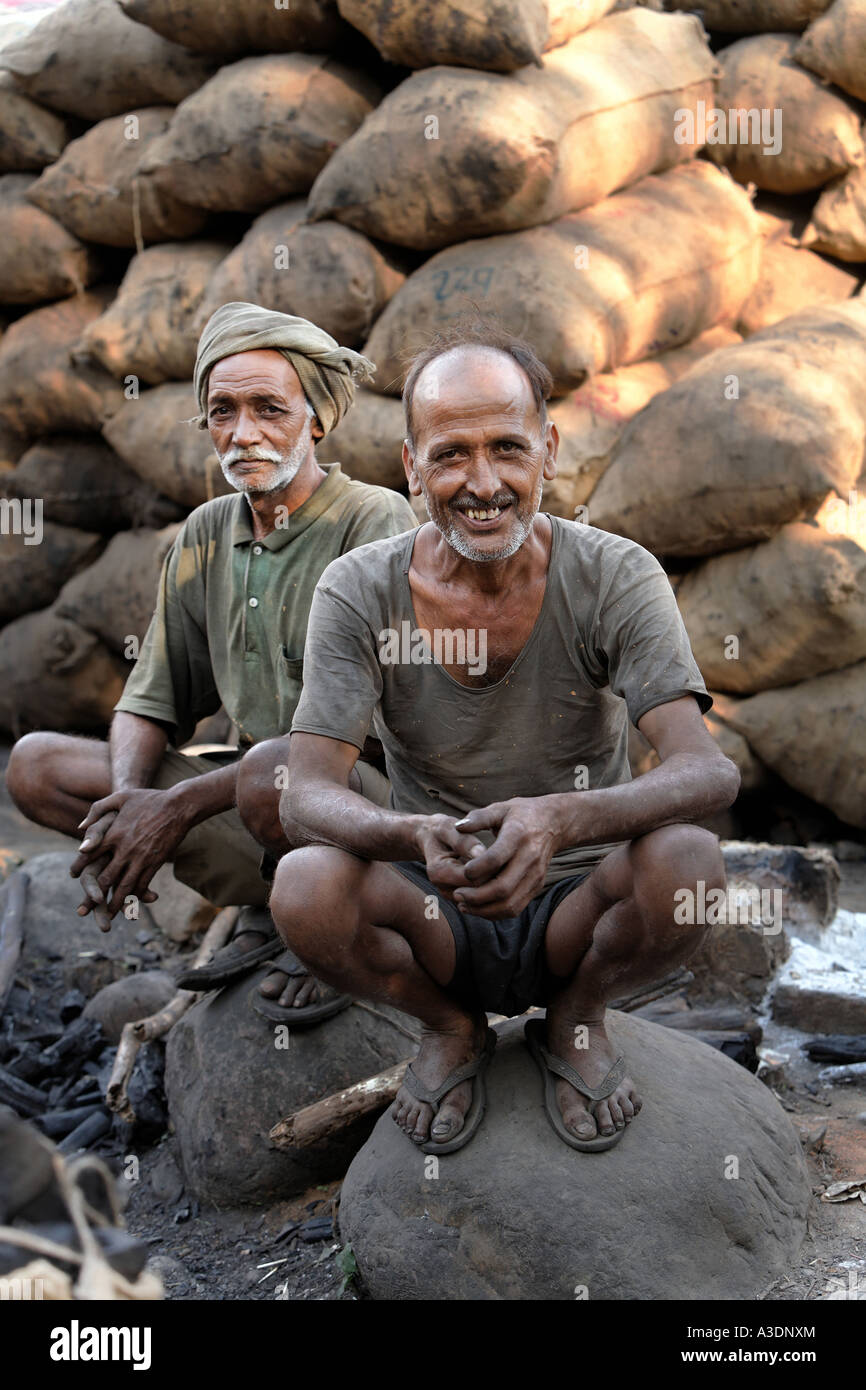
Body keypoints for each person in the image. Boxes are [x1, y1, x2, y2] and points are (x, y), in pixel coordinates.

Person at [267, 319, 739, 1153]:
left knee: (688, 862)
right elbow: (304, 796)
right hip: (433, 911)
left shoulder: (615, 574)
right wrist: (407, 832)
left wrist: (564, 819)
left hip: (578, 910)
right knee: (306, 885)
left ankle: (578, 1018)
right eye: (450, 455)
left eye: (507, 449)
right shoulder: (358, 589)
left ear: (549, 450)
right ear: (411, 467)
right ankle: (450, 1029)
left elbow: (708, 774)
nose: (483, 483)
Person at [7, 302, 416, 1024]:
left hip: (370, 805)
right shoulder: (204, 531)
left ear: (316, 419)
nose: (243, 432)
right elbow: (151, 699)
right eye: (223, 411)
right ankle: (279, 905)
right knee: (36, 767)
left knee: (275, 768)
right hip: (259, 800)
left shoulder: (372, 521)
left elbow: (341, 735)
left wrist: (176, 808)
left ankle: (341, 922)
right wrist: (132, 806)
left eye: (268, 408)